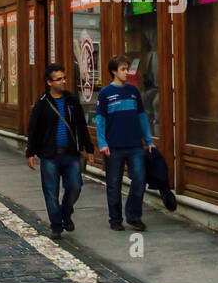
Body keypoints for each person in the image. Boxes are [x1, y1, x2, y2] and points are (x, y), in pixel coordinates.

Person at [26, 61, 94, 240]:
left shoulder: (71, 100)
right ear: (49, 82)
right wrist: (30, 152)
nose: (63, 82)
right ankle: (56, 225)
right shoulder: (42, 103)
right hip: (50, 154)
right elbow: (33, 129)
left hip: (70, 153)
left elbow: (81, 125)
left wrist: (89, 148)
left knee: (75, 186)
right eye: (59, 79)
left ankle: (66, 212)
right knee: (51, 192)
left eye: (64, 78)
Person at [96, 54, 154, 232]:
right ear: (114, 71)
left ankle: (134, 216)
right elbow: (100, 120)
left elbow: (142, 117)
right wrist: (102, 143)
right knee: (114, 184)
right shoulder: (105, 93)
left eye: (127, 69)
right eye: (123, 69)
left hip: (135, 144)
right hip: (114, 146)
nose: (126, 72)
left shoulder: (133, 92)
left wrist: (149, 140)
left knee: (139, 179)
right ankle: (115, 219)